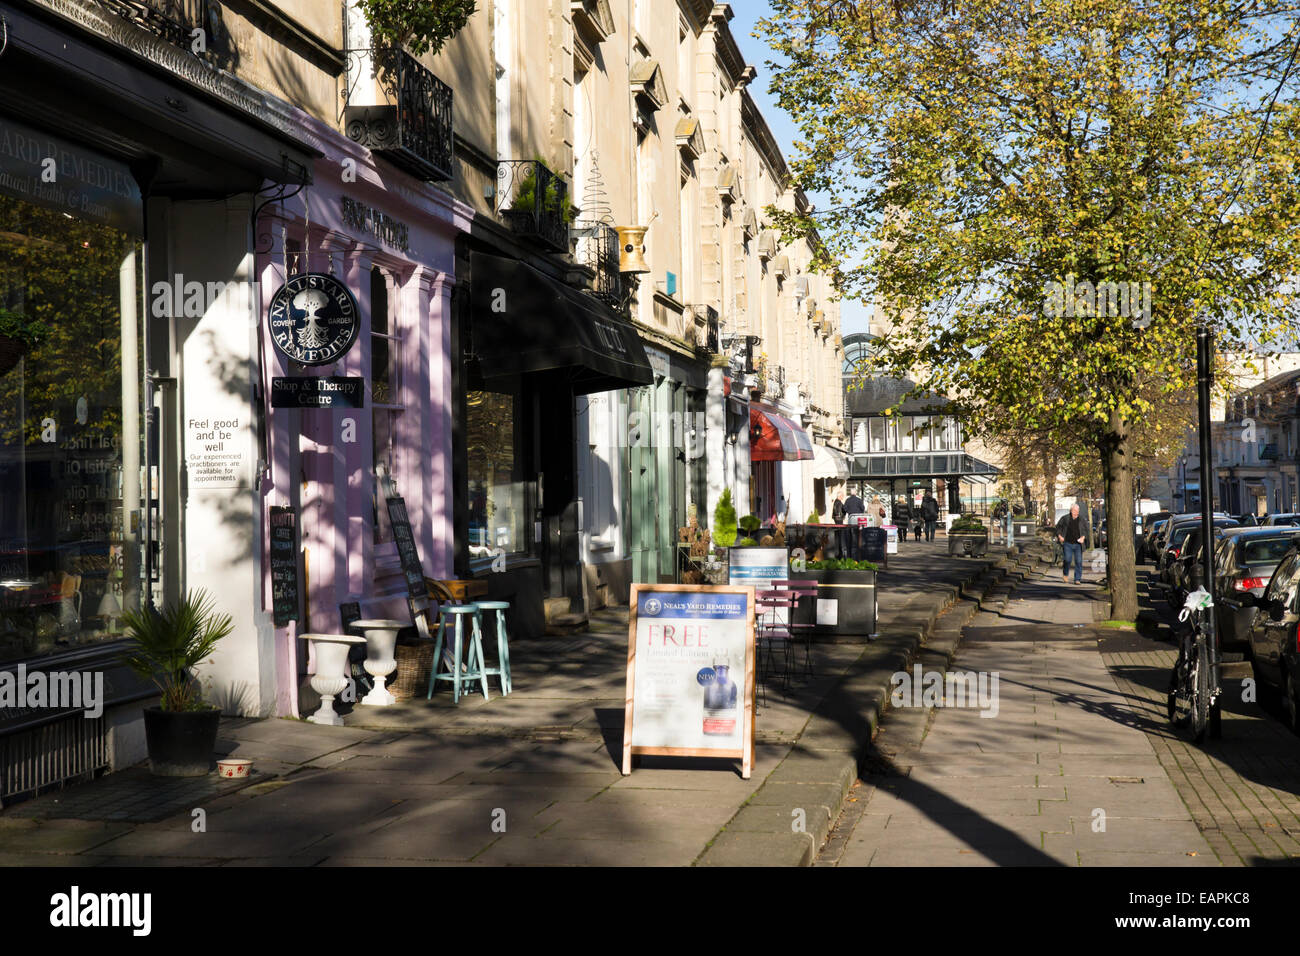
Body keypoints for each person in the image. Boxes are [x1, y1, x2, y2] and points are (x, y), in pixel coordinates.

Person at [1055, 503, 1089, 584]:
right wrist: (1060, 536)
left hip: (1078, 544)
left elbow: (1086, 530)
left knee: (1079, 561)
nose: (1075, 512)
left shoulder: (1082, 519)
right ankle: (1065, 574)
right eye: (1074, 510)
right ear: (1071, 510)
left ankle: (1077, 579)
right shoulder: (1065, 518)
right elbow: (1058, 528)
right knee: (1067, 559)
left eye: (1077, 511)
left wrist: (1083, 537)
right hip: (1067, 543)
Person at [843, 487, 865, 558]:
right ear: (855, 493)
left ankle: (851, 547)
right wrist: (860, 512)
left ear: (850, 493)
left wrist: (849, 512)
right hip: (858, 519)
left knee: (851, 534)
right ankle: (857, 549)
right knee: (857, 534)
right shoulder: (859, 500)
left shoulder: (848, 500)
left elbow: (844, 508)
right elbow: (863, 508)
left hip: (851, 518)